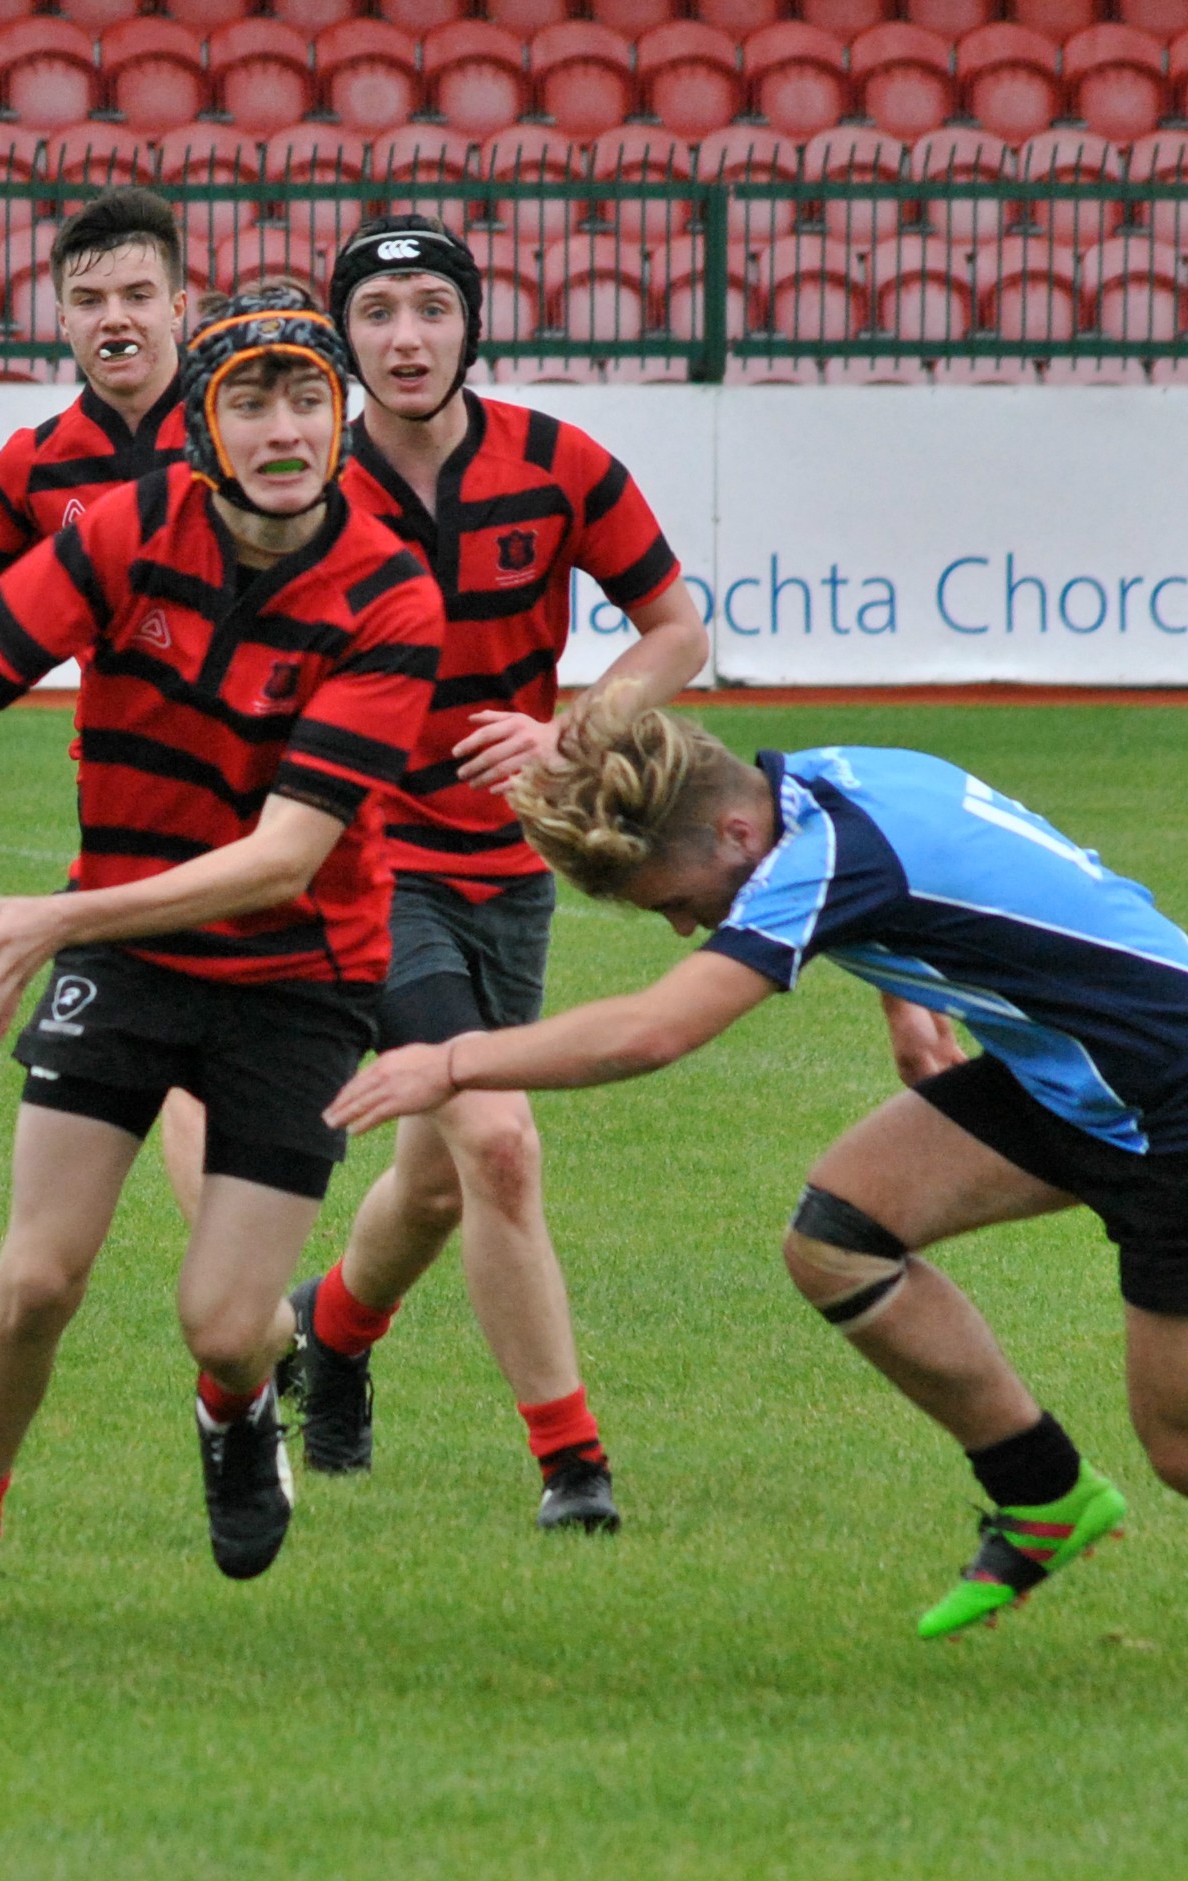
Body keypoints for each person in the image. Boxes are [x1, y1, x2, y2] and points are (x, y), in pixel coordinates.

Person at [328, 697, 1188, 1678]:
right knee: (838, 1235)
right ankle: (1039, 1496)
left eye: (676, 899)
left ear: (734, 833)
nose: (688, 924)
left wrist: (450, 1058)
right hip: (1068, 1075)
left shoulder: (810, 850)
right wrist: (907, 996)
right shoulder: (829, 779)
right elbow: (930, 884)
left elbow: (651, 1032)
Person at [0, 294, 444, 1637]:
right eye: (251, 403)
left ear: (342, 416)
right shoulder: (120, 532)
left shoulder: (392, 592)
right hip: (131, 956)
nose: (284, 430)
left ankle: (239, 1403)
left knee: (226, 1322)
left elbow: (287, 858)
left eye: (307, 401)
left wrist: (55, 918)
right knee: (36, 1277)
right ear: (203, 425)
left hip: (296, 975)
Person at [280, 216, 710, 1534]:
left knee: (434, 1174)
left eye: (428, 309)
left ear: (472, 324)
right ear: (342, 342)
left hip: (511, 867)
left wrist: (568, 731)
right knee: (499, 1140)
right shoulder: (308, 483)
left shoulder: (560, 465)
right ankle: (572, 1461)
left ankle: (332, 1335)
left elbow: (679, 628)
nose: (404, 338)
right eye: (376, 315)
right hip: (366, 866)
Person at [0, 186, 218, 1215]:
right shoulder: (36, 462)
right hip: (124, 814)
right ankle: (259, 1318)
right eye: (90, 299)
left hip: (265, 800)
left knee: (203, 1069)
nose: (115, 319)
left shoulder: (250, 431)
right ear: (58, 316)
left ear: (186, 304)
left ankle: (260, 1314)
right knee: (169, 1073)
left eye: (140, 294)